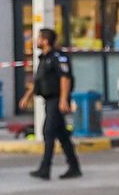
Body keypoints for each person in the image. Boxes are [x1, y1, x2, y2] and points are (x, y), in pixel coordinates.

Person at [19, 27, 81, 181]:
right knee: (62, 135)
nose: (36, 41)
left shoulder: (58, 57)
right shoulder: (43, 58)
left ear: (45, 41)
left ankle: (45, 168)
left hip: (56, 100)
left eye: (39, 38)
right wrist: (27, 97)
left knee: (48, 132)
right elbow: (38, 81)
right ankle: (74, 167)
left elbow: (65, 78)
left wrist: (63, 99)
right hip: (49, 100)